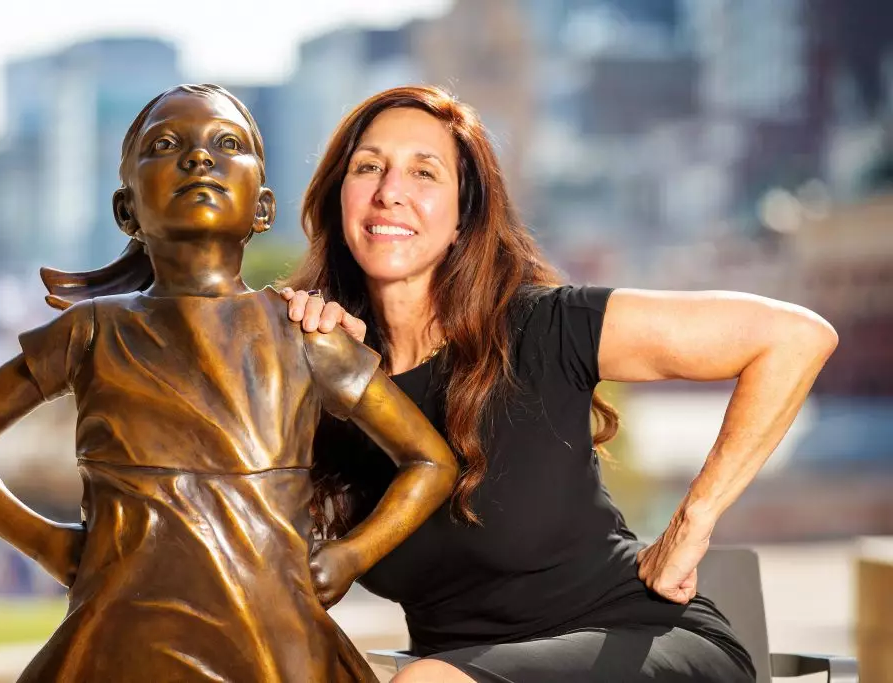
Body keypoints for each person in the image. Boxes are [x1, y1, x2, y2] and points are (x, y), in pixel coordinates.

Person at [280, 84, 839, 683]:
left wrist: (691, 522)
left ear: (464, 214)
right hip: (464, 670)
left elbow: (794, 337)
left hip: (645, 640)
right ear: (341, 197)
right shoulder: (329, 377)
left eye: (424, 173)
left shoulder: (547, 326)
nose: (391, 192)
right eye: (369, 168)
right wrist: (283, 352)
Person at [0, 84, 459, 683]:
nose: (199, 158)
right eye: (166, 145)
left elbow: (430, 461)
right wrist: (50, 545)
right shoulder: (91, 332)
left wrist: (352, 555)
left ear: (263, 208)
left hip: (275, 648)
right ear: (127, 210)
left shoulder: (305, 335)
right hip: (119, 646)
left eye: (226, 144)